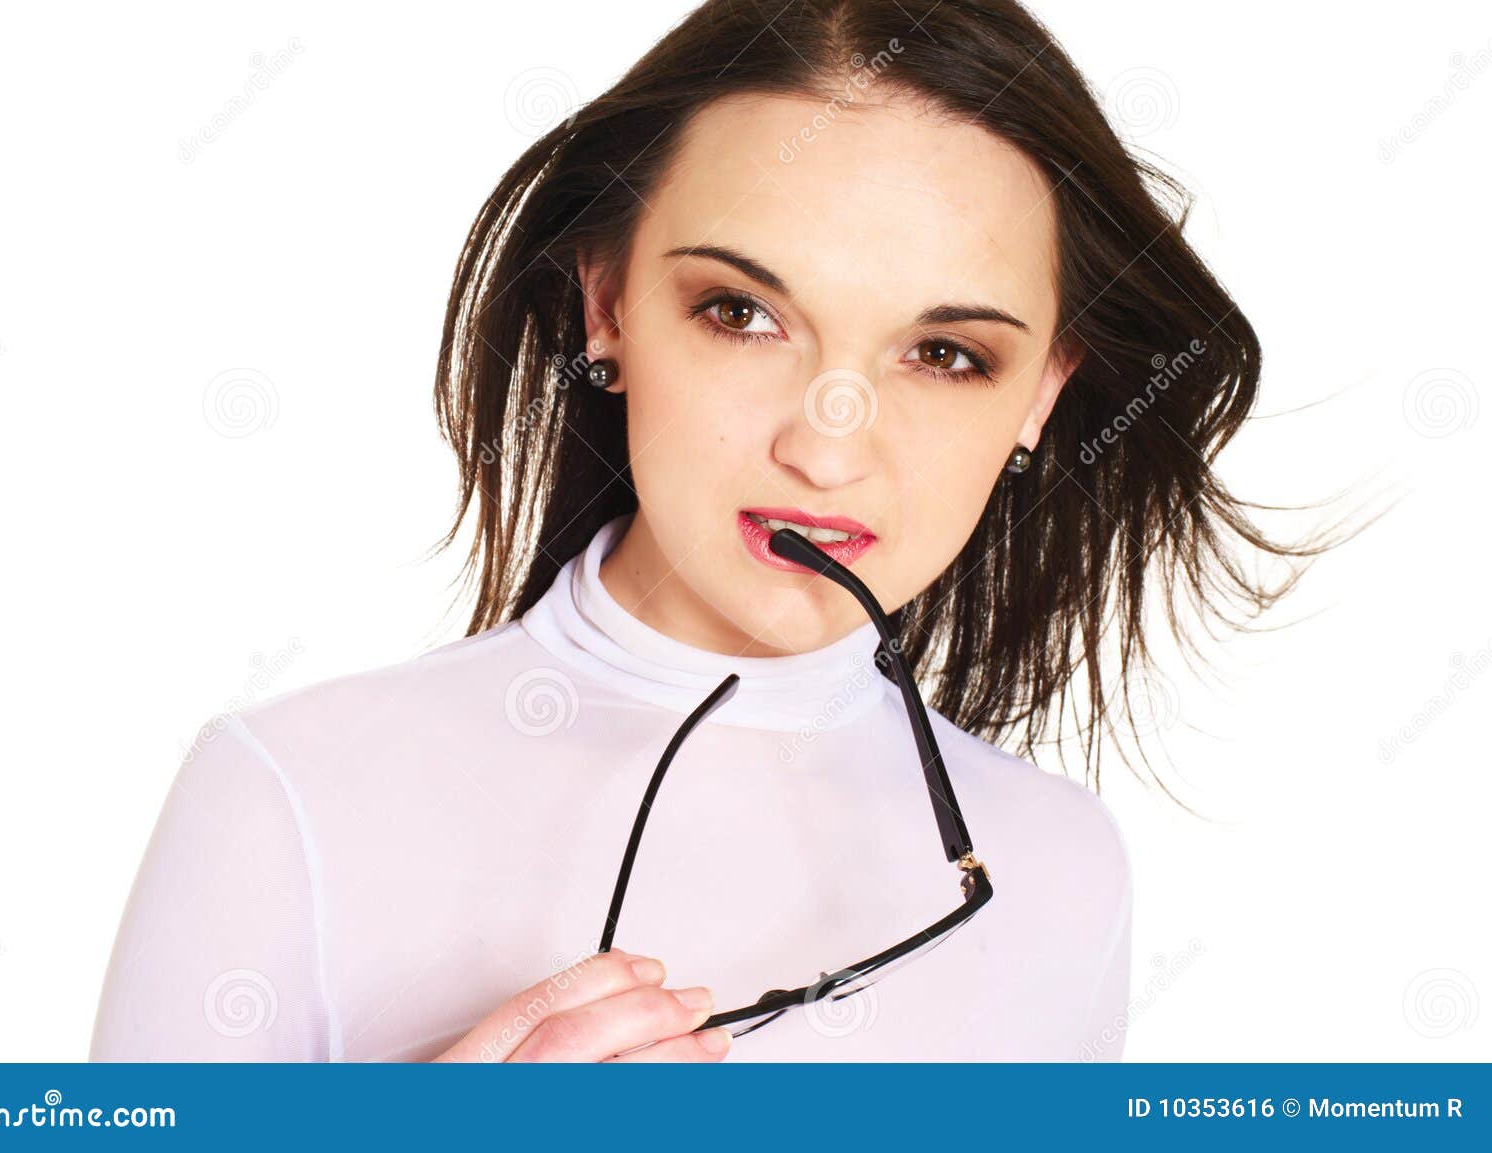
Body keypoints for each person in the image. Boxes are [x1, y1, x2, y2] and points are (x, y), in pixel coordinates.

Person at [92, 0, 1325, 1062]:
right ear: (608, 302)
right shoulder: (286, 797)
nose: (828, 443)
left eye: (945, 354)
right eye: (739, 312)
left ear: (1045, 392)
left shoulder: (1059, 869)